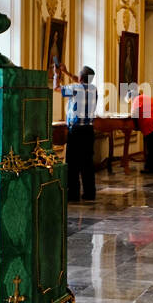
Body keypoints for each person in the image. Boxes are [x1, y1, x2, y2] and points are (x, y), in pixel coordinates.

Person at [56, 63, 97, 202]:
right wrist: (67, 72)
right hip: (89, 131)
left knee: (72, 164)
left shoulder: (75, 88)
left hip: (76, 131)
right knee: (87, 163)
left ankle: (73, 194)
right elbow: (80, 82)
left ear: (80, 77)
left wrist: (57, 74)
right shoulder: (93, 89)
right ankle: (89, 193)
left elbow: (57, 88)